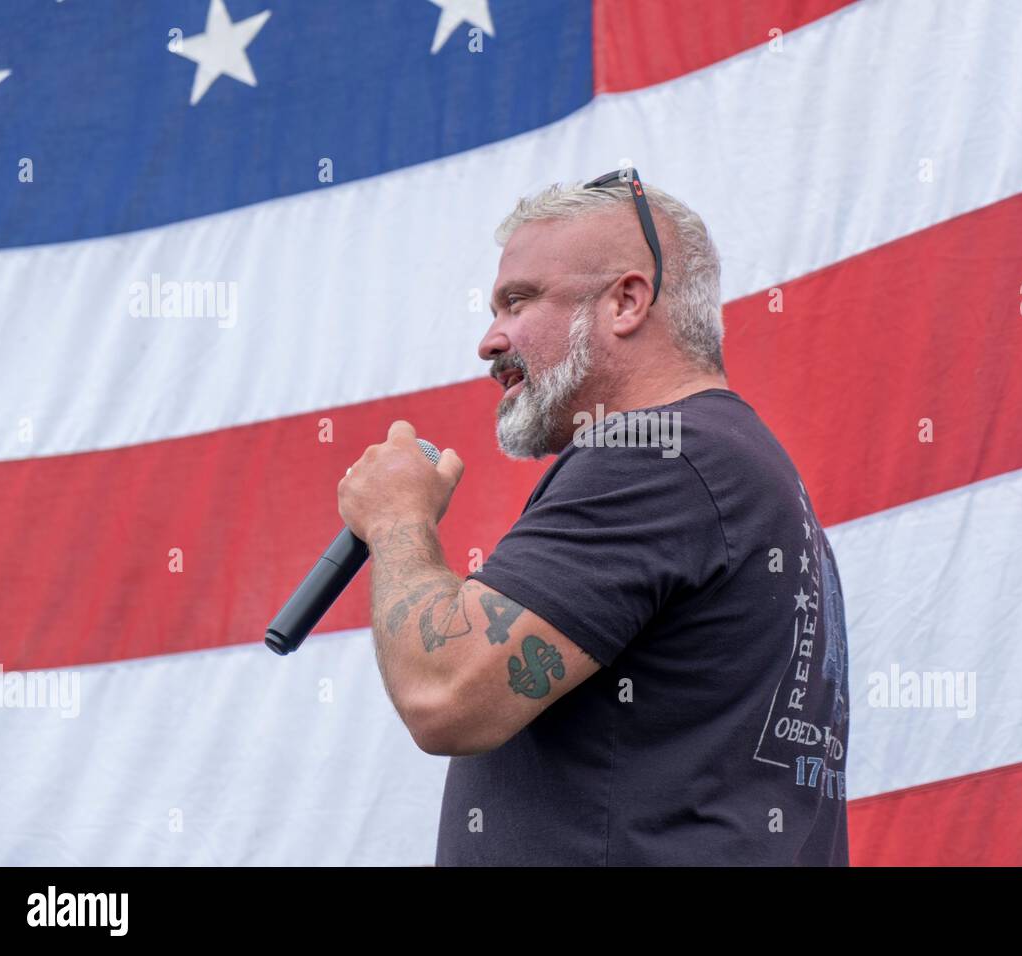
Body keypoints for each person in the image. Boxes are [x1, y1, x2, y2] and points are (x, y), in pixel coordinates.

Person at [337, 169, 850, 866]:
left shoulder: (655, 456)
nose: (491, 340)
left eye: (519, 301)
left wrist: (398, 519)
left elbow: (444, 692)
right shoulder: (736, 467)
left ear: (627, 302)